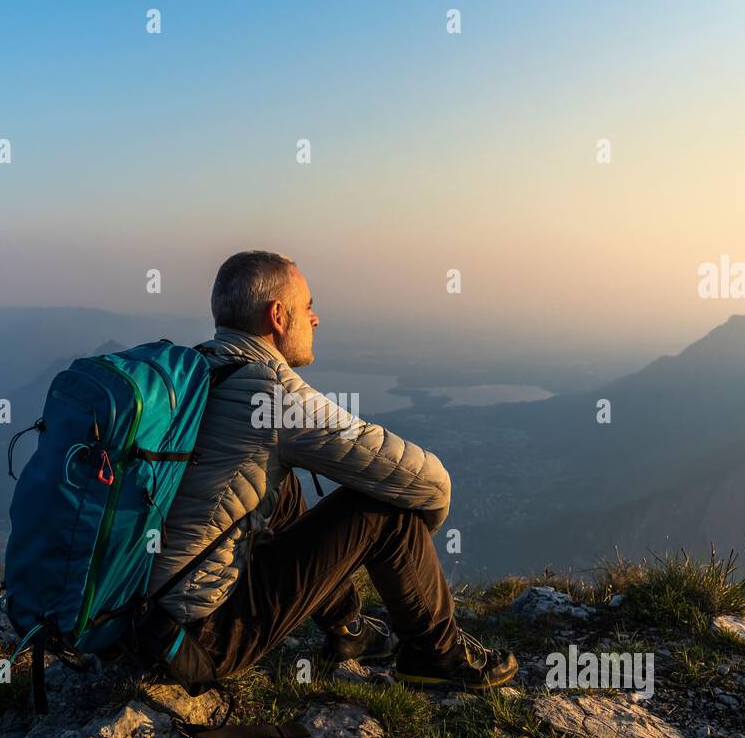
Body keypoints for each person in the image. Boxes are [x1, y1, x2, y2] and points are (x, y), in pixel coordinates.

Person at [142, 250, 517, 690]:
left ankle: (346, 629)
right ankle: (439, 655)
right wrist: (417, 527)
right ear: (277, 317)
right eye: (307, 307)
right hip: (203, 639)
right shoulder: (270, 392)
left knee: (278, 494)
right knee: (386, 507)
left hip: (141, 619)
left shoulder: (197, 370)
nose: (315, 319)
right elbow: (421, 480)